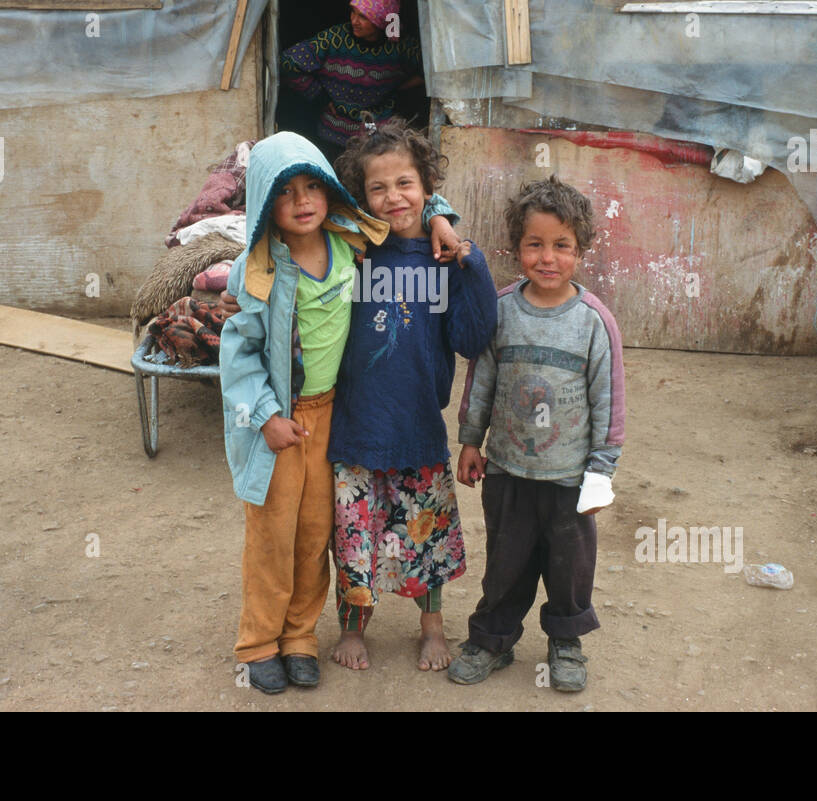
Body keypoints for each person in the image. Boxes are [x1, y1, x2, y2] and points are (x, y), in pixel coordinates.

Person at [217, 131, 457, 694]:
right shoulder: (256, 272)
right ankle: (258, 644)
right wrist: (266, 415)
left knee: (317, 531)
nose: (302, 202)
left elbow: (406, 204)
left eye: (311, 188)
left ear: (329, 192)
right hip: (280, 423)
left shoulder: (350, 241)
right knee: (273, 534)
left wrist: (443, 217)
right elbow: (238, 353)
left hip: (335, 419)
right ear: (263, 206)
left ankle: (300, 637)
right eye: (285, 193)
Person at [327, 119, 497, 673]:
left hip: (418, 424)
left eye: (406, 183)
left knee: (421, 533)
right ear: (361, 196)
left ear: (426, 188)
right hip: (356, 425)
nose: (392, 196)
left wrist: (468, 259)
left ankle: (432, 629)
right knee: (355, 538)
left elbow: (473, 338)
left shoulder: (445, 258)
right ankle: (355, 628)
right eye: (378, 187)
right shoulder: (350, 248)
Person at [448, 174, 625, 693]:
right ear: (517, 247)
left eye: (561, 245)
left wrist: (601, 470)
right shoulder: (501, 311)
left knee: (569, 566)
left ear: (581, 249)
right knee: (505, 562)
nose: (548, 258)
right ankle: (491, 639)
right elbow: (480, 381)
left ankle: (566, 641)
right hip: (507, 467)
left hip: (570, 476)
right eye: (535, 244)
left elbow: (608, 400)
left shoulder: (594, 323)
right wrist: (470, 441)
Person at [280, 0, 424, 161]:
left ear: (380, 21)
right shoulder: (335, 38)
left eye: (363, 17)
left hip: (377, 133)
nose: (354, 21)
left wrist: (398, 87)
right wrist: (318, 95)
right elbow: (289, 61)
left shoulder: (400, 46)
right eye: (353, 12)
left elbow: (431, 70)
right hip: (333, 133)